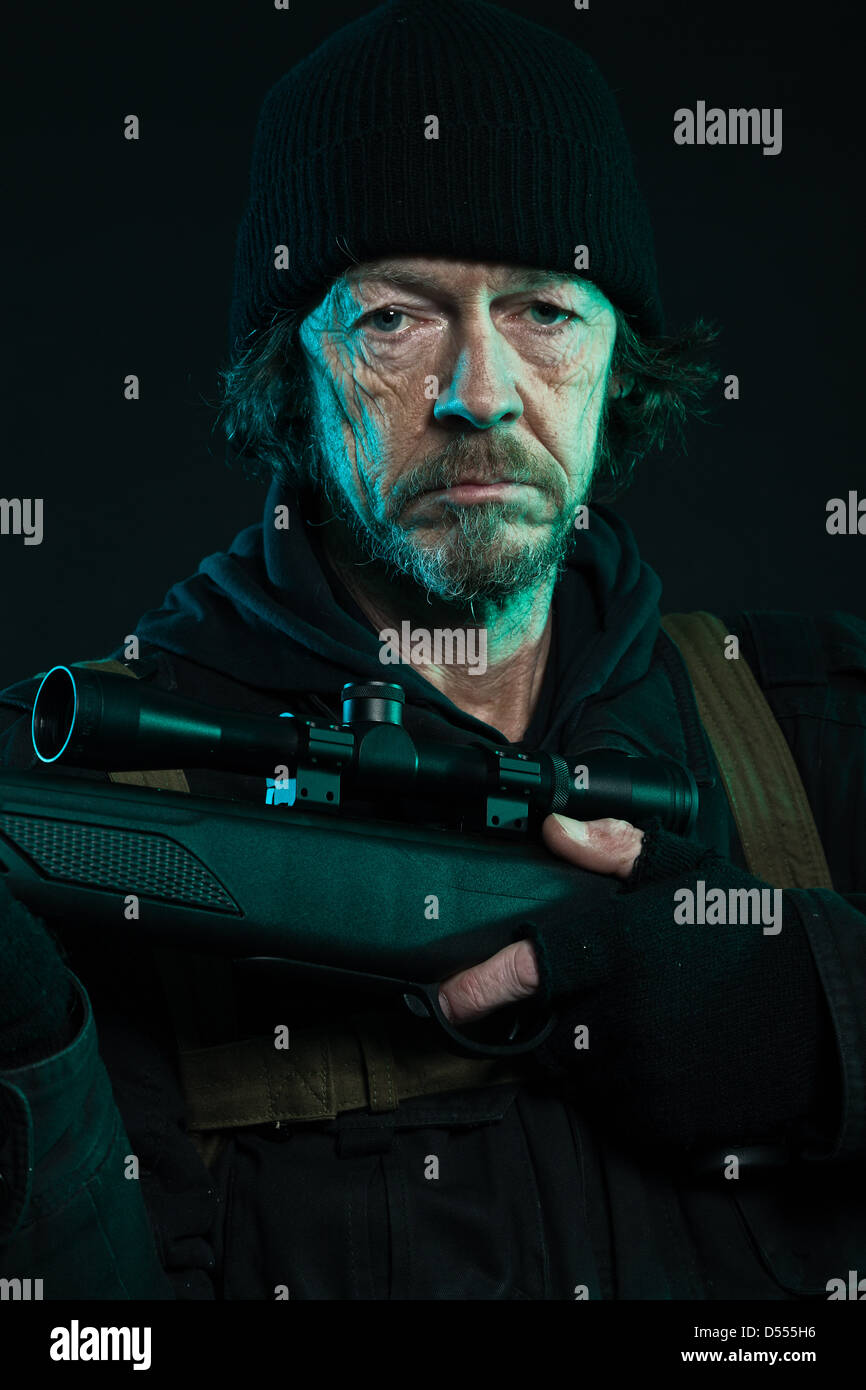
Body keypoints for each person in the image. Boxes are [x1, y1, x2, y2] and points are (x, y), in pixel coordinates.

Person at [1, 0, 864, 1301]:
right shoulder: (80, 799)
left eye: (541, 311)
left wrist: (820, 1011)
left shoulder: (818, 728)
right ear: (288, 372)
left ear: (620, 357)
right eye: (395, 318)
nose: (476, 390)